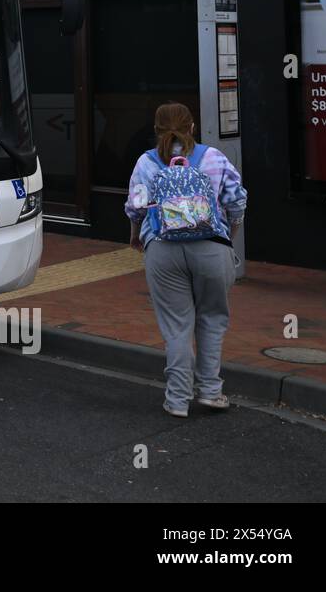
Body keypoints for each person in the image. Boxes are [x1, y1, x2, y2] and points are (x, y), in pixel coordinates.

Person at [125, 102, 248, 418]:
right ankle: (211, 392)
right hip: (212, 248)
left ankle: (177, 401)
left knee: (177, 326)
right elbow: (236, 199)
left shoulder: (146, 162)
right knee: (212, 319)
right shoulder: (213, 157)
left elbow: (136, 206)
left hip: (163, 250)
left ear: (156, 130)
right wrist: (228, 233)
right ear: (192, 127)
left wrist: (135, 235)